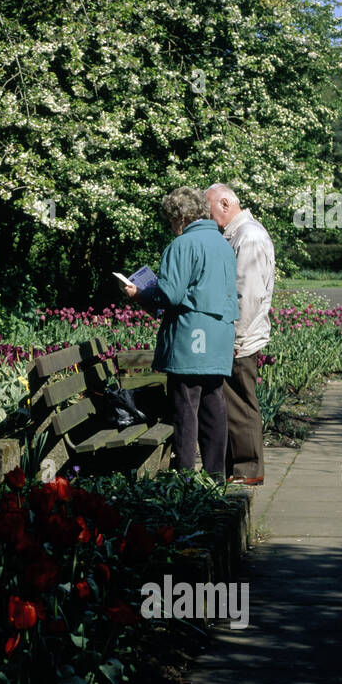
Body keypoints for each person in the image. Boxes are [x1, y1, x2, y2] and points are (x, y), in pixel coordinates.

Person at [122, 187, 237, 480]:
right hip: (220, 335)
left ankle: (183, 478)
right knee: (214, 407)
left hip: (190, 338)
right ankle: (216, 477)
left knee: (185, 410)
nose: (172, 226)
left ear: (182, 217)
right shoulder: (223, 243)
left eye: (172, 220)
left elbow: (170, 295)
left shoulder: (182, 245)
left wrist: (140, 294)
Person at [205, 182, 275, 485]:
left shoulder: (249, 236)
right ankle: (241, 468)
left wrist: (235, 337)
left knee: (241, 403)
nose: (207, 217)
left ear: (224, 203)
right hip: (238, 335)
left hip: (240, 338)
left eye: (208, 209)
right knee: (234, 403)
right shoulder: (240, 234)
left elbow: (248, 294)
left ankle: (248, 470)